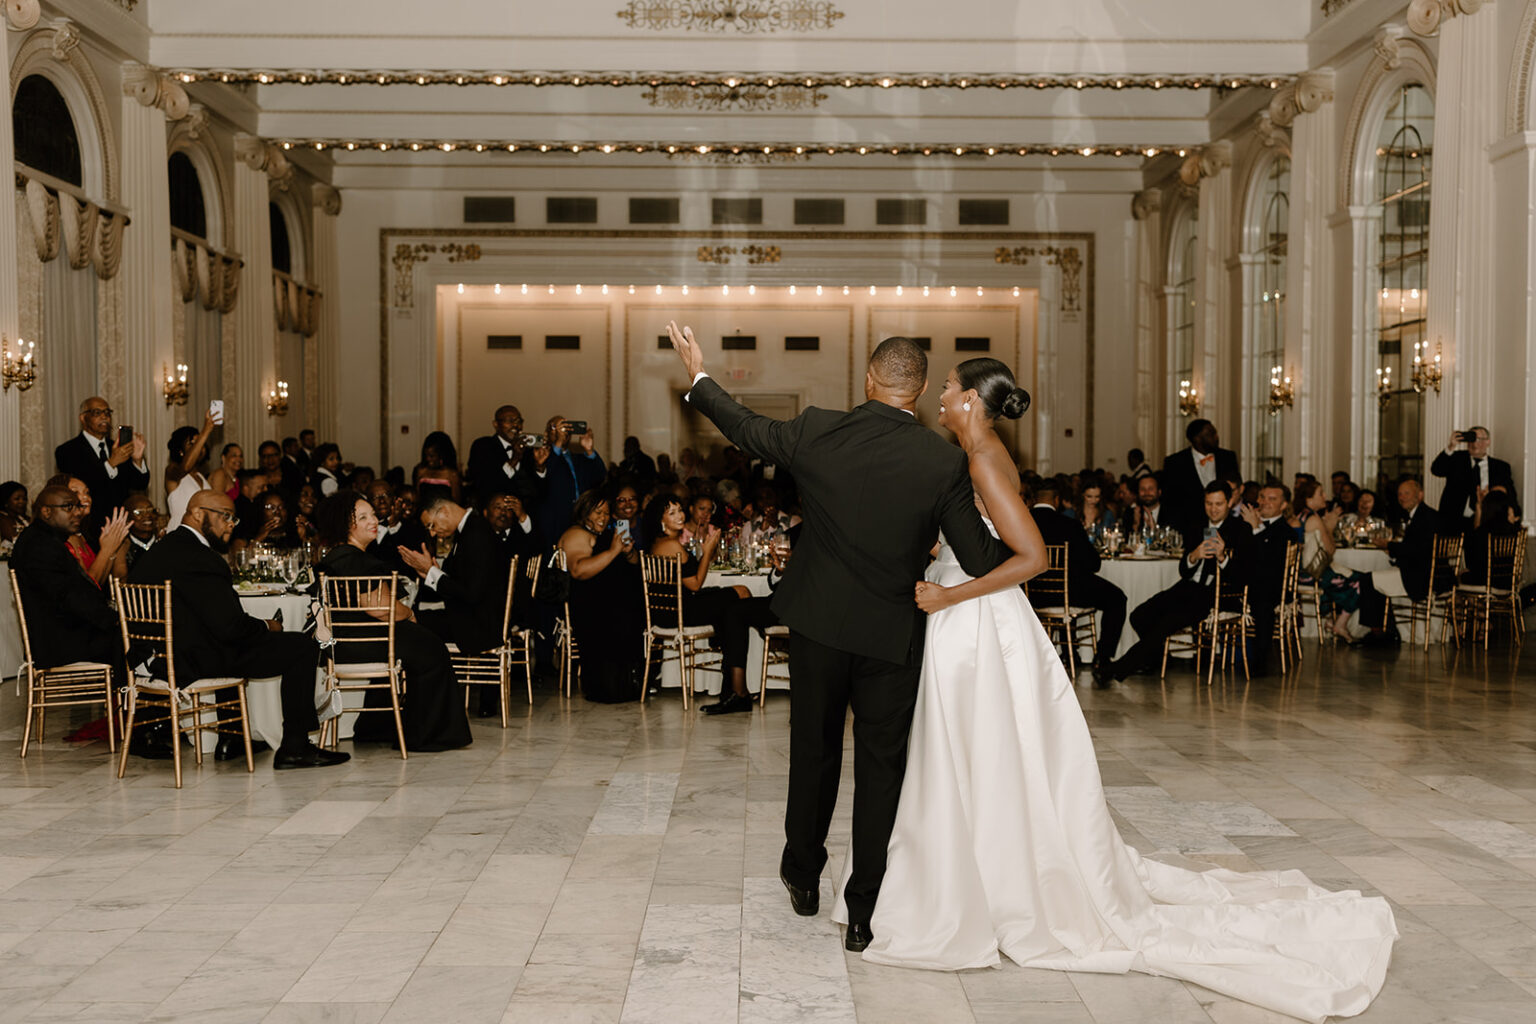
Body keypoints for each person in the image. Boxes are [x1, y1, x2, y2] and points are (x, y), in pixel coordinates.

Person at [837, 361, 1397, 1022]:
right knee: (977, 759)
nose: (941, 394)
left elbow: (1032, 558)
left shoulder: (985, 458)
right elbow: (980, 540)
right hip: (969, 623)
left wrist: (948, 591)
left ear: (973, 402)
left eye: (952, 385)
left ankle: (983, 884)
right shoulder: (977, 453)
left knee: (978, 753)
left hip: (977, 624)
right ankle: (980, 870)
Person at [668, 322, 1011, 950]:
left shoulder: (817, 429)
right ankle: (863, 911)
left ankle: (802, 874)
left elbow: (743, 426)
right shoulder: (942, 460)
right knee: (883, 769)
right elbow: (981, 558)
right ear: (922, 389)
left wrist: (698, 376)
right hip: (891, 633)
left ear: (868, 379)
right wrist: (1011, 525)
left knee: (815, 752)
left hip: (821, 626)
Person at [128, 491, 348, 769]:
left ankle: (232, 739)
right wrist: (268, 626)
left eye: (234, 518)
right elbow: (231, 628)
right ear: (197, 513)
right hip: (189, 661)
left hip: (155, 657)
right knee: (300, 646)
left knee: (232, 643)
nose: (231, 524)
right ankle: (295, 746)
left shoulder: (160, 550)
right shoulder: (202, 558)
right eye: (225, 516)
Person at [313, 491, 472, 751]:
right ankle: (427, 734)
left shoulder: (334, 557)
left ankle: (376, 727)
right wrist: (409, 615)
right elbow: (379, 609)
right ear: (345, 525)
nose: (373, 520)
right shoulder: (359, 561)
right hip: (363, 640)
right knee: (431, 648)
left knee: (418, 644)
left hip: (338, 642)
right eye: (363, 517)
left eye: (373, 514)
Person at [1105, 482, 1253, 680]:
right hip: (1189, 587)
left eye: (1218, 504)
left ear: (1229, 503)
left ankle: (1119, 669)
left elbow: (1242, 577)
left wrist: (1222, 558)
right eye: (1209, 503)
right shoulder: (1197, 526)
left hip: (1218, 593)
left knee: (1166, 623)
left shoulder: (1241, 529)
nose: (1213, 509)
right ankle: (1153, 658)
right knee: (1139, 615)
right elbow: (1184, 570)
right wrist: (1193, 556)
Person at [646, 493, 768, 715]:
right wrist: (707, 552)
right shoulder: (671, 544)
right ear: (661, 520)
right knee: (740, 594)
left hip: (676, 607)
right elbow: (694, 584)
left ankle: (733, 687)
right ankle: (735, 684)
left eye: (680, 510)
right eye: (671, 513)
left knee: (734, 601)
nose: (680, 515)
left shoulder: (659, 542)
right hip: (681, 611)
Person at [8, 484, 124, 677]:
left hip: (64, 634)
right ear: (46, 511)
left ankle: (128, 700)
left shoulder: (47, 539)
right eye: (68, 507)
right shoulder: (40, 545)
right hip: (59, 644)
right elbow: (69, 598)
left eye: (78, 507)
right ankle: (134, 700)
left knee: (130, 634)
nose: (77, 513)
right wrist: (115, 620)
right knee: (130, 637)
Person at [1026, 481, 1126, 683]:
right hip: (1068, 592)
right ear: (1056, 500)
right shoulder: (1069, 524)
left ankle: (1069, 653)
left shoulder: (1020, 522)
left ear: (1035, 499)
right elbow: (1093, 563)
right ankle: (1102, 658)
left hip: (1030, 594)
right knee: (1117, 599)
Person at [559, 490, 646, 703]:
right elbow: (579, 570)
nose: (603, 518)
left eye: (606, 513)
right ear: (585, 513)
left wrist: (627, 552)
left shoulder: (603, 535)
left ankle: (632, 683)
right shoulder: (576, 534)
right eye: (598, 512)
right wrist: (614, 551)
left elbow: (635, 565)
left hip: (611, 605)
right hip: (592, 610)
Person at [400, 489, 509, 659]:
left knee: (408, 622)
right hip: (473, 615)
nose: (432, 533)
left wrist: (432, 572)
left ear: (443, 511)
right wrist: (431, 573)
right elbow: (463, 582)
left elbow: (472, 594)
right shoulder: (468, 529)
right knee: (412, 617)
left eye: (432, 525)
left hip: (479, 625)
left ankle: (431, 682)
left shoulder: (476, 532)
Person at [54, 395, 148, 542]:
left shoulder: (117, 447)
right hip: (88, 527)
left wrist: (138, 460)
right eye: (97, 413)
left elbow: (139, 485)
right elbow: (85, 485)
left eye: (107, 413)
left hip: (120, 526)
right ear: (83, 418)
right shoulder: (67, 450)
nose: (104, 417)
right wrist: (110, 464)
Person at [1356, 478, 1440, 643]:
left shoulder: (1425, 517)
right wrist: (1392, 549)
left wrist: (1389, 545)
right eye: (1400, 494)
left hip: (1418, 576)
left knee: (1367, 579)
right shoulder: (1422, 515)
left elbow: (1418, 550)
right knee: (1374, 576)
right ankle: (1387, 628)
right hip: (1421, 571)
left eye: (1407, 493)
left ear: (1420, 495)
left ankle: (1378, 632)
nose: (1402, 497)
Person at [532, 416, 606, 548]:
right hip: (554, 522)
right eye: (556, 427)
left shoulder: (578, 458)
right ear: (546, 434)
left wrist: (589, 450)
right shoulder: (539, 456)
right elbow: (545, 476)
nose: (562, 431)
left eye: (565, 427)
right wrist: (558, 444)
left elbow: (600, 476)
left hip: (580, 519)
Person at [1160, 418, 1240, 534]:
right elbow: (1170, 500)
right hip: (1187, 527)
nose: (1216, 437)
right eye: (1211, 434)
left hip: (1222, 525)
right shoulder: (1175, 462)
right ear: (1196, 439)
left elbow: (1233, 489)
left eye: (1215, 433)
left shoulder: (1227, 457)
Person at [1431, 427, 1515, 534]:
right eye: (1471, 438)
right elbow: (1436, 470)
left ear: (1488, 442)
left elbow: (1510, 495)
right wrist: (1451, 447)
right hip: (1454, 520)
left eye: (1479, 439)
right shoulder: (1457, 459)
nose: (1474, 443)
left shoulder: (1500, 467)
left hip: (1486, 523)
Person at [51, 475, 129, 586]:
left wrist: (112, 548)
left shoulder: (80, 535)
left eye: (87, 492)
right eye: (75, 492)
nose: (85, 497)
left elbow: (98, 584)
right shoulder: (65, 538)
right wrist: (106, 550)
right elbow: (85, 587)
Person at [466, 404, 550, 506]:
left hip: (526, 516)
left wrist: (540, 467)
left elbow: (540, 492)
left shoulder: (528, 451)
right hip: (494, 514)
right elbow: (485, 485)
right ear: (496, 424)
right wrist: (514, 460)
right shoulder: (483, 446)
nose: (516, 425)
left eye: (519, 421)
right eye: (510, 421)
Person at [1460, 488, 1522, 586]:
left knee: (1461, 574)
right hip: (1508, 581)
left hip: (1485, 581)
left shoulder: (1482, 531)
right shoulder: (1513, 531)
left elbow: (1472, 563)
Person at [164, 411, 216, 497]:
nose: (199, 447)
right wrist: (205, 431)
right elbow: (185, 467)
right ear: (180, 451)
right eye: (192, 444)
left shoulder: (200, 476)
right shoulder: (172, 470)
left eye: (200, 443)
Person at [412, 431, 463, 502]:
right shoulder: (421, 471)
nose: (428, 459)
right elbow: (416, 498)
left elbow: (456, 501)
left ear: (441, 455)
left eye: (432, 456)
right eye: (426, 455)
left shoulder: (452, 475)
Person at [1073, 479, 1116, 544]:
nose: (1093, 500)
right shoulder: (1071, 514)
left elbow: (1114, 536)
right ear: (1082, 495)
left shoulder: (1107, 515)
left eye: (1097, 497)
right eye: (1089, 496)